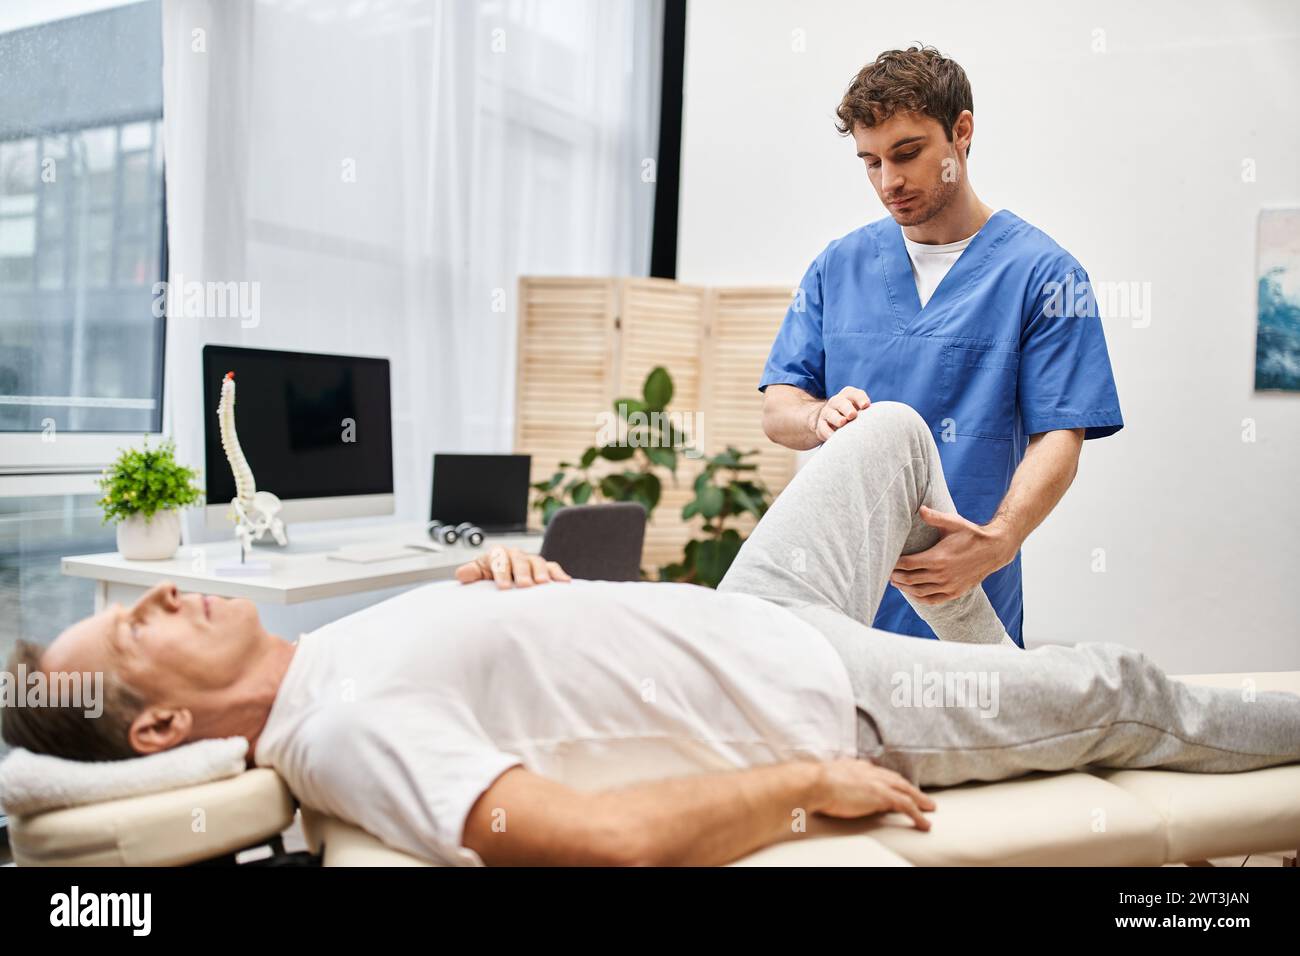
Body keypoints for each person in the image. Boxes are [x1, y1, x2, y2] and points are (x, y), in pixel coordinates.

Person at [5, 404, 1296, 867]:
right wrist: (802, 785)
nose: (161, 594)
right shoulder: (341, 733)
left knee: (891, 433)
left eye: (146, 591)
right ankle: (1020, 698)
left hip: (750, 614)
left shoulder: (333, 652)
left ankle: (1002, 674)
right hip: (831, 696)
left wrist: (514, 580)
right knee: (1126, 693)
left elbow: (541, 672)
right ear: (164, 725)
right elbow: (609, 844)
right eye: (132, 627)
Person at [759, 45, 1124, 648]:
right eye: (870, 162)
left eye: (907, 154)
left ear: (961, 131)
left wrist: (1001, 538)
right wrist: (817, 416)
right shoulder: (839, 265)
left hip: (963, 585)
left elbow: (1061, 435)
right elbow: (779, 408)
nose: (889, 182)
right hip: (837, 595)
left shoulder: (1046, 276)